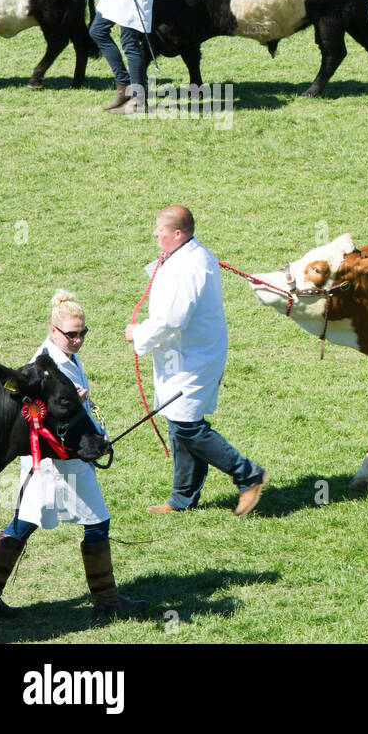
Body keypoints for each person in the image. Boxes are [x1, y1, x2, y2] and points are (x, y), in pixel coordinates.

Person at [0, 291, 147, 617]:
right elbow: (37, 413)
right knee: (97, 521)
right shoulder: (45, 366)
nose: (77, 340)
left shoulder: (61, 357)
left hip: (62, 458)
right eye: (71, 334)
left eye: (82, 333)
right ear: (52, 330)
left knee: (24, 523)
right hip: (55, 460)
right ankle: (107, 601)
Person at [127, 205, 268, 517]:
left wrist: (139, 333)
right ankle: (182, 498)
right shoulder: (186, 255)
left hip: (194, 357)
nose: (154, 234)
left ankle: (248, 475)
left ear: (178, 234)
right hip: (184, 354)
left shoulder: (191, 264)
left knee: (187, 425)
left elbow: (173, 318)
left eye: (160, 230)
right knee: (178, 421)